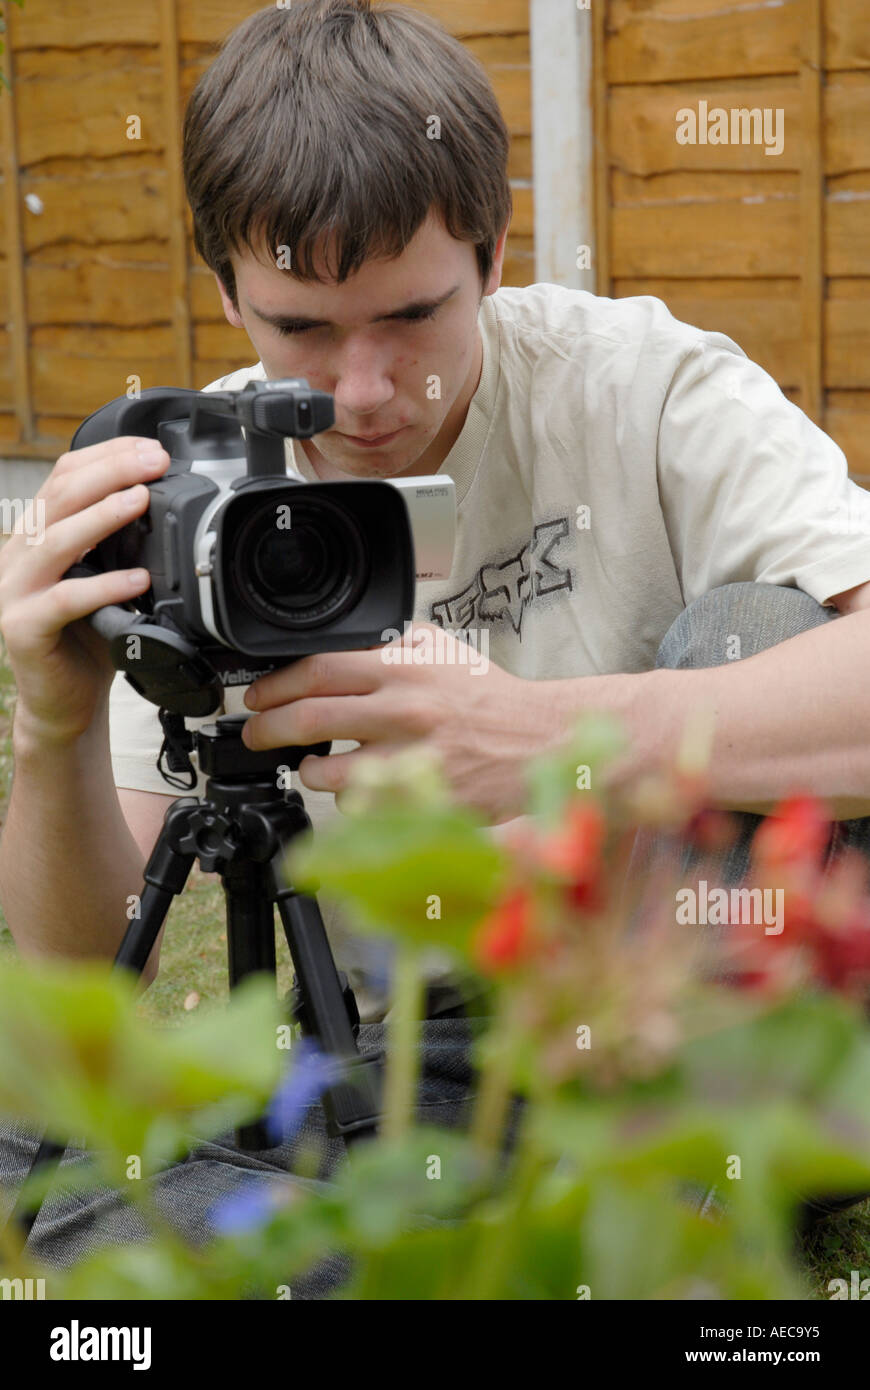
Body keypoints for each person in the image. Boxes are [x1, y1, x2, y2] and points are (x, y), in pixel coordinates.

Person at [2, 0, 870, 1291]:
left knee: (755, 630)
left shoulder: (640, 385)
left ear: (498, 252)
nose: (364, 392)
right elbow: (91, 973)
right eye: (299, 328)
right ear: (225, 286)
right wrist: (53, 725)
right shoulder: (193, 481)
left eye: (412, 315)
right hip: (415, 1056)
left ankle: (614, 1202)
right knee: (44, 1122)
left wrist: (545, 741)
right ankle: (550, 1236)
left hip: (651, 988)